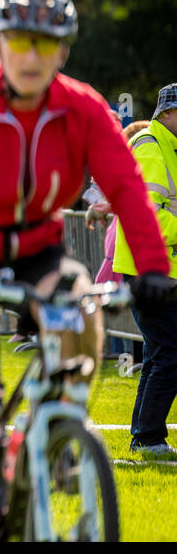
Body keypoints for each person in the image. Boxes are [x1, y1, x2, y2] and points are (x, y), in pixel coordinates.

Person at [0, 0, 174, 540]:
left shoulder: (80, 107)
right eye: (19, 41)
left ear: (63, 51)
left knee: (82, 313)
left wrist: (152, 268)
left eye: (46, 44)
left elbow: (127, 188)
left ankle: (60, 431)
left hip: (36, 250)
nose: (32, 56)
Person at [112, 86, 177, 455]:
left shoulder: (164, 144)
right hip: (149, 269)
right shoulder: (153, 145)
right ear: (166, 113)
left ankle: (145, 435)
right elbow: (148, 213)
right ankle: (149, 436)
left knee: (159, 353)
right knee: (169, 353)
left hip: (158, 268)